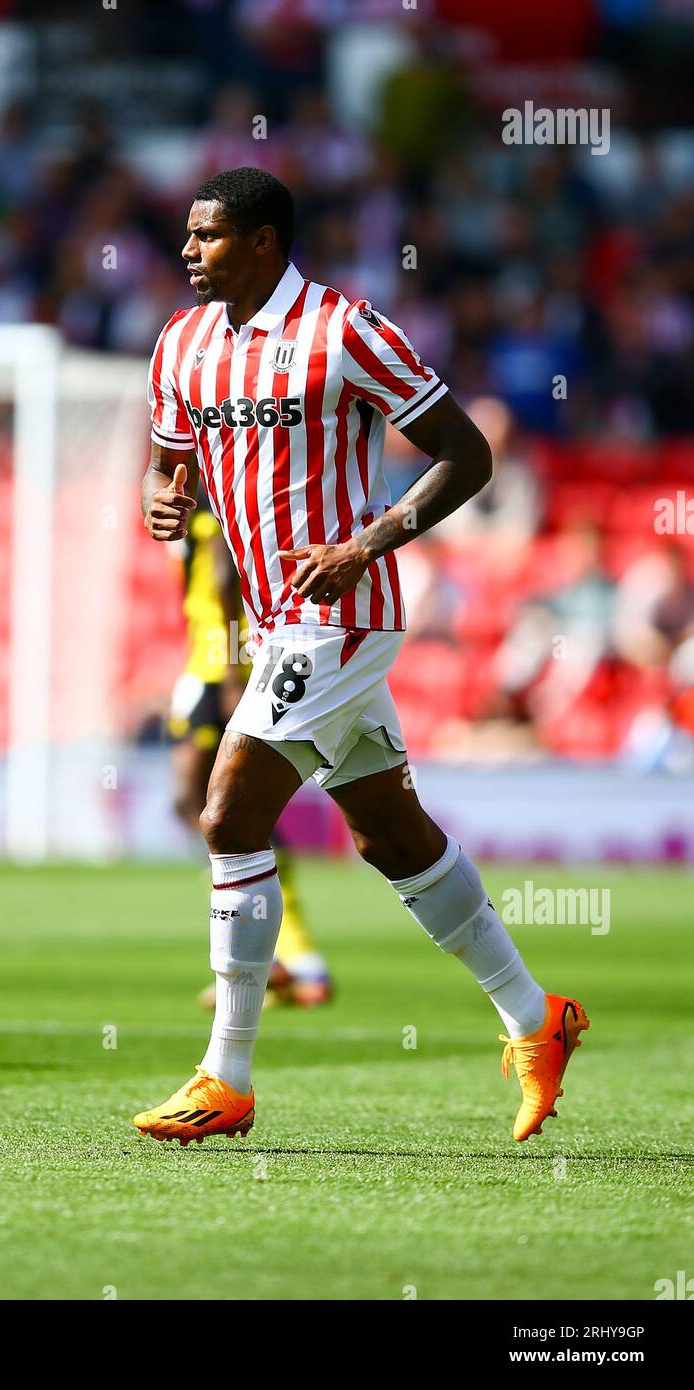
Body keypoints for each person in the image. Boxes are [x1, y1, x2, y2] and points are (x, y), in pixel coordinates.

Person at [135, 166, 588, 1147]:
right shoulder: (179, 345)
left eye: (207, 235)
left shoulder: (343, 331)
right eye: (186, 234)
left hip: (343, 612)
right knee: (389, 834)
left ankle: (228, 1074)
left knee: (228, 812)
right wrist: (158, 497)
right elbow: (164, 465)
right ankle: (532, 1018)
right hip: (272, 623)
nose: (187, 251)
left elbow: (466, 454)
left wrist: (366, 542)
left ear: (262, 242)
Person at [167, 484, 333, 1007]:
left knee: (227, 811)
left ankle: (285, 957)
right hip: (208, 667)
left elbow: (225, 581)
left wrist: (237, 673)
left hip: (219, 672)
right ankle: (288, 958)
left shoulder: (214, 518)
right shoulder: (201, 516)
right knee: (213, 809)